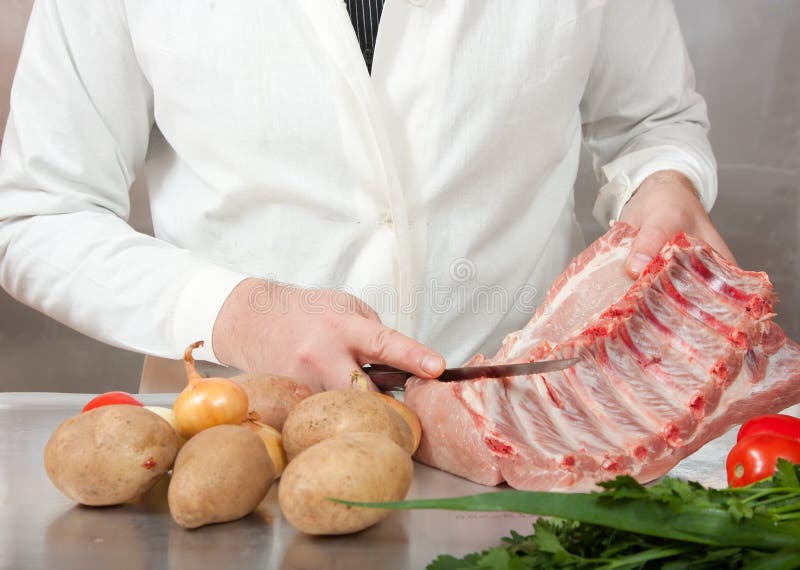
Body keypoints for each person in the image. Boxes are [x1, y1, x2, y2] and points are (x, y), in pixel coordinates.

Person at [0, 0, 733, 393]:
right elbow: (38, 211)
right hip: (239, 444)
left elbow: (651, 121)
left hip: (535, 426)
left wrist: (664, 179)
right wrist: (237, 314)